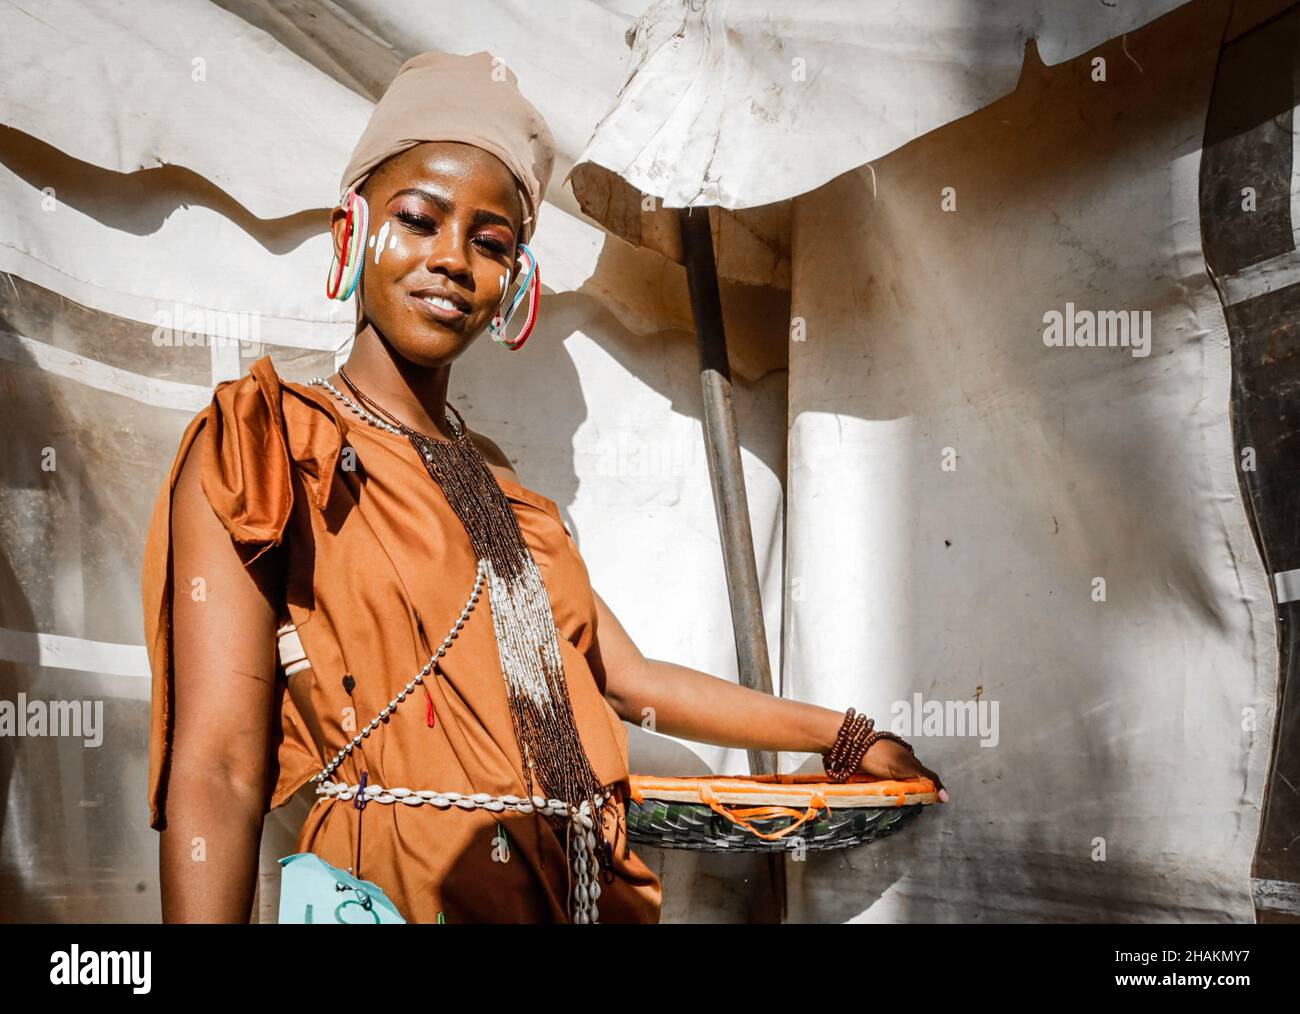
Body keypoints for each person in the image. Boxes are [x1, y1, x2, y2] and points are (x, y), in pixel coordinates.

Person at [141, 50, 948, 925]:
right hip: (397, 898)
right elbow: (219, 767)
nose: (453, 260)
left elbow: (629, 678)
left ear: (512, 282)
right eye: (418, 220)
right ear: (351, 234)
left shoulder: (503, 494)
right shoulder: (267, 443)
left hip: (579, 896)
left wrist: (845, 735)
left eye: (490, 242)